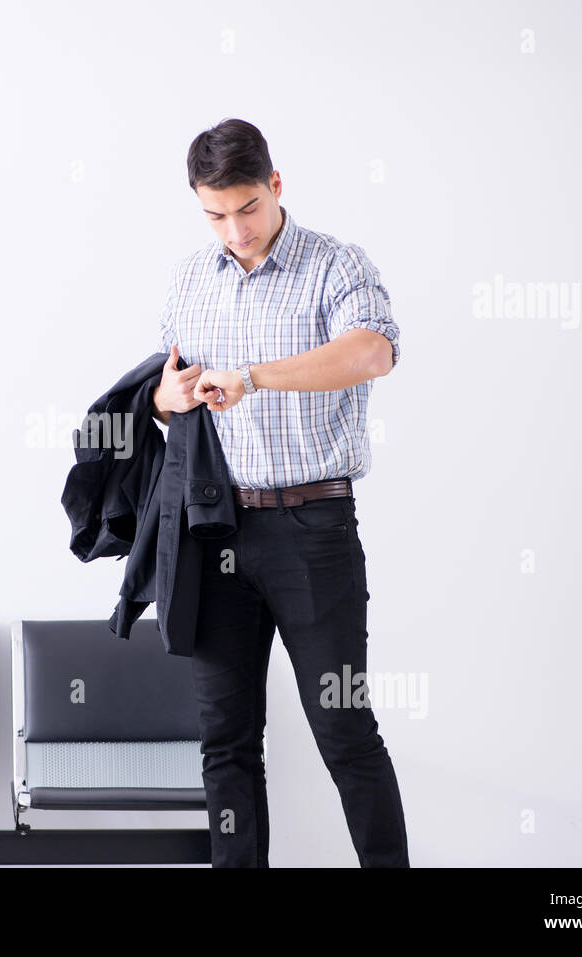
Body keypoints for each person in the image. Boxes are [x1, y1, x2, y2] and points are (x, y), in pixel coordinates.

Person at [151, 117, 408, 867]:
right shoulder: (189, 278)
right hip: (214, 530)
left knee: (345, 730)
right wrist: (168, 398)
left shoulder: (336, 265)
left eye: (247, 208)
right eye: (215, 214)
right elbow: (166, 397)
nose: (234, 229)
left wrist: (255, 376)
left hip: (313, 529)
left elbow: (373, 352)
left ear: (276, 186)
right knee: (226, 741)